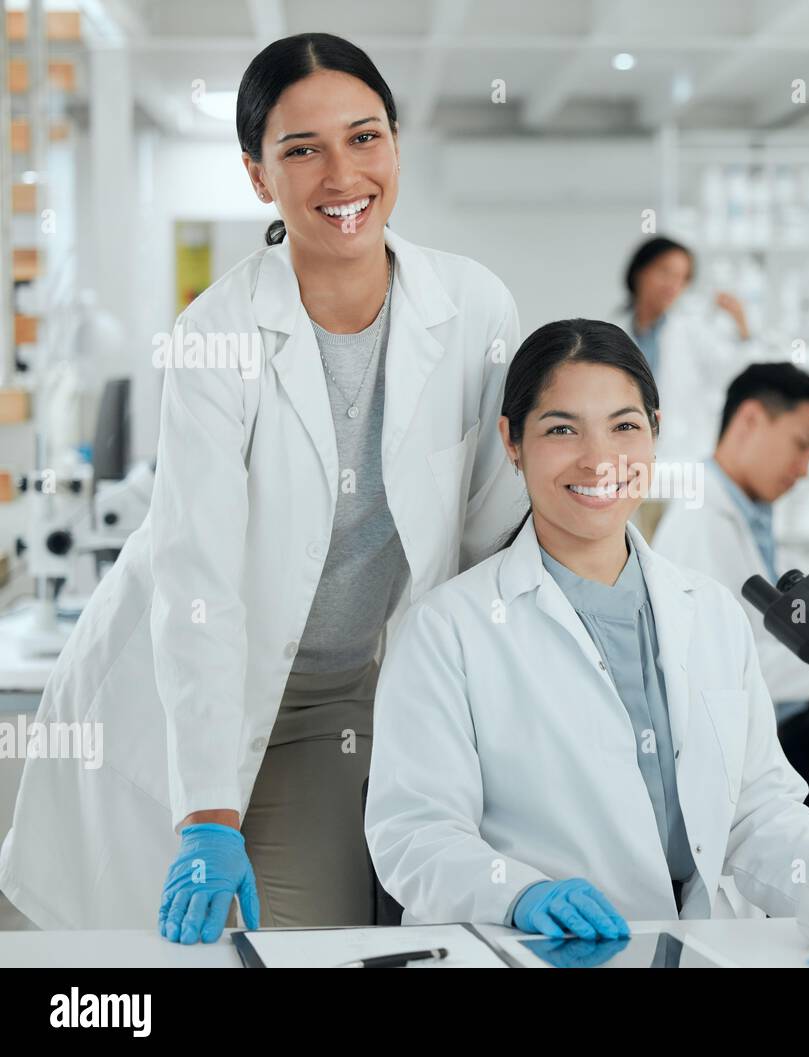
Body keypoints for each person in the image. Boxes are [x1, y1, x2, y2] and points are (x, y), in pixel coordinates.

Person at [0, 32, 525, 940]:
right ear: (258, 176)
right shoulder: (218, 333)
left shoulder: (475, 308)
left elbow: (491, 529)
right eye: (300, 149)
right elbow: (198, 580)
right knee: (295, 941)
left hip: (375, 682)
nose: (341, 173)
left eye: (364, 138)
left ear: (396, 145)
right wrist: (208, 814)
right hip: (237, 687)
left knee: (415, 929)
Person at [365, 319, 809, 934]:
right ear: (512, 442)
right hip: (532, 950)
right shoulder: (448, 630)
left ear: (656, 432)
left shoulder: (709, 613)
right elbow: (414, 834)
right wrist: (519, 896)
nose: (600, 459)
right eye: (561, 429)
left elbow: (756, 814)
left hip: (697, 941)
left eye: (625, 426)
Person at [653, 362, 809, 825]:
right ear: (751, 420)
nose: (804, 469)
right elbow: (716, 672)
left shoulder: (744, 512)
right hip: (771, 749)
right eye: (802, 446)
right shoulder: (701, 524)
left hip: (795, 727)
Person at [616, 236, 759, 463]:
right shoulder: (614, 334)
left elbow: (733, 374)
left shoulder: (693, 331)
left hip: (683, 453)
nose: (673, 285)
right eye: (665, 272)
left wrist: (742, 328)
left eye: (682, 278)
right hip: (626, 456)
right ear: (639, 271)